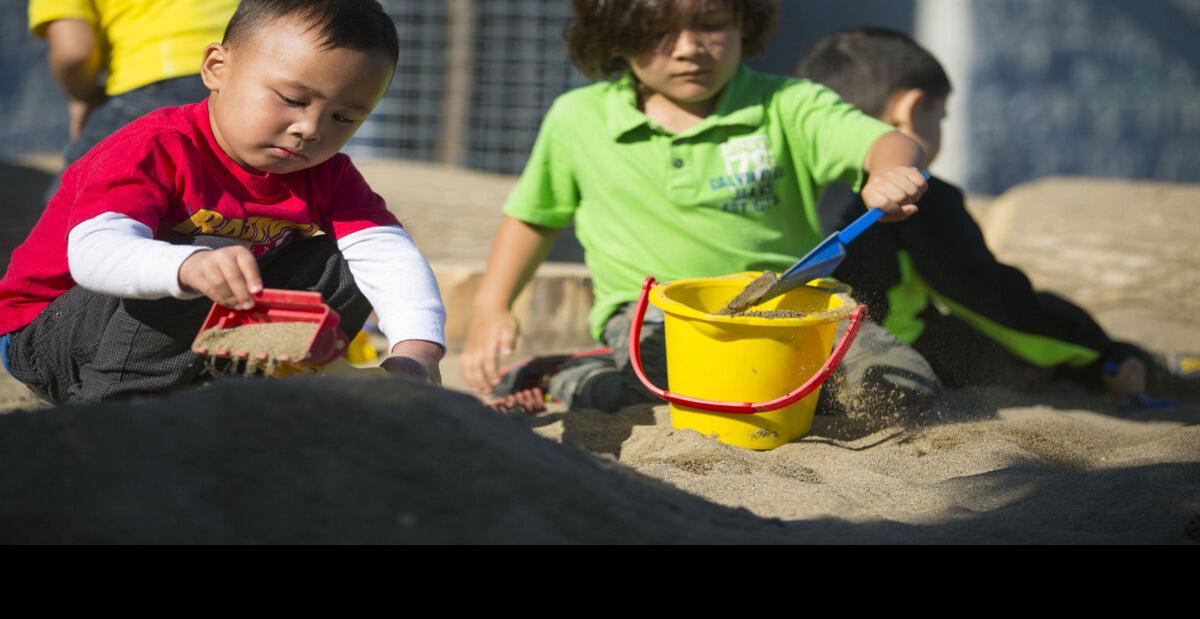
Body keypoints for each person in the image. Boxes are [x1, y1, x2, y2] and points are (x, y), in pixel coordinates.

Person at [461, 0, 940, 423]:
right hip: (655, 313)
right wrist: (492, 305)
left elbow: (888, 141)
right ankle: (570, 376)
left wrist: (888, 172)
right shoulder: (578, 117)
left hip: (790, 305)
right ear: (612, 32)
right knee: (683, 400)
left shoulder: (788, 104)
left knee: (901, 390)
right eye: (658, 32)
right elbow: (535, 216)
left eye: (711, 23)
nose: (689, 47)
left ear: (743, 20)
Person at [0, 0, 446, 403]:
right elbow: (93, 252)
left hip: (189, 339)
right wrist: (185, 267)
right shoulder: (154, 146)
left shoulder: (326, 174)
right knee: (204, 259)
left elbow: (388, 253)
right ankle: (119, 414)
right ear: (216, 68)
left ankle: (259, 396)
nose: (310, 128)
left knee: (348, 262)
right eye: (292, 99)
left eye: (343, 117)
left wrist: (416, 349)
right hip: (52, 337)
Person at [797, 27, 1193, 404]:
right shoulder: (921, 199)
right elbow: (986, 295)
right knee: (1027, 332)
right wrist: (1098, 354)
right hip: (904, 350)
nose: (942, 127)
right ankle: (1129, 365)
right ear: (912, 111)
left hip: (806, 346)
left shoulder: (798, 179)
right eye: (942, 117)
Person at [31, 0, 239, 195]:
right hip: (241, 74)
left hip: (151, 85)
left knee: (66, 210)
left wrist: (83, 96)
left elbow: (73, 52)